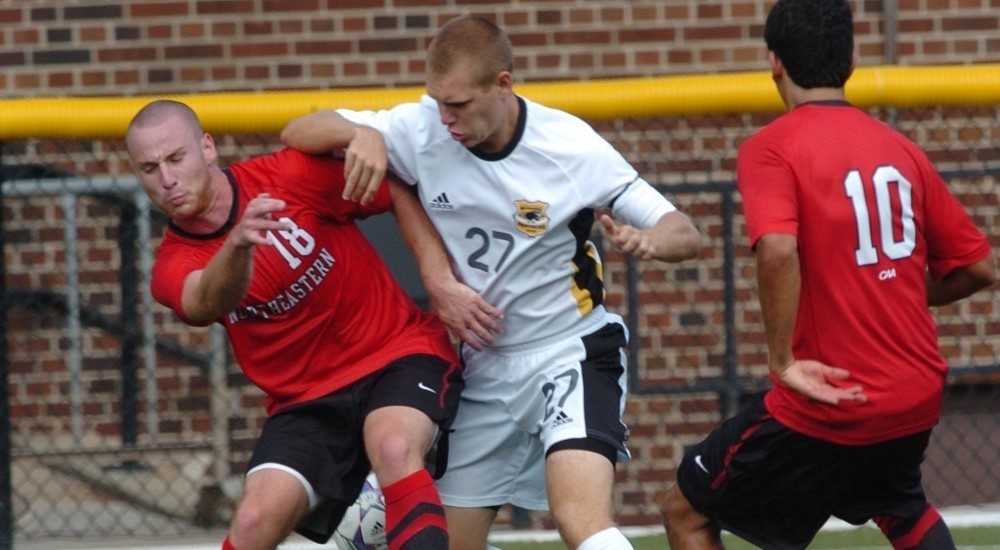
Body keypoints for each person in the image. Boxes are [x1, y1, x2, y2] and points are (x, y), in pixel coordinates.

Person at [281, 14, 701, 550]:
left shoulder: (569, 145)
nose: (445, 118)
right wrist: (360, 132)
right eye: (437, 101)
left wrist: (652, 242)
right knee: (446, 542)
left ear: (503, 85)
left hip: (570, 353)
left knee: (580, 521)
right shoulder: (420, 130)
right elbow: (297, 132)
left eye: (458, 105)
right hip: (484, 366)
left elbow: (683, 231)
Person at [657, 1, 997, 549]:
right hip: (915, 391)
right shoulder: (901, 149)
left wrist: (782, 362)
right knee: (902, 506)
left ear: (774, 62)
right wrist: (899, 292)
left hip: (830, 400)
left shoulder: (772, 148)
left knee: (685, 510)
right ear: (853, 60)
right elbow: (979, 268)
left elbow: (776, 250)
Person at [125, 99, 465, 550]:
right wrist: (238, 246)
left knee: (395, 448)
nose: (167, 179)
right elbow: (205, 301)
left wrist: (437, 278)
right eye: (149, 168)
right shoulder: (173, 263)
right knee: (251, 522)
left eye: (175, 158)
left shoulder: (287, 176)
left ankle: (386, 505)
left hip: (396, 353)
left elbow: (394, 190)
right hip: (306, 402)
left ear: (206, 148)